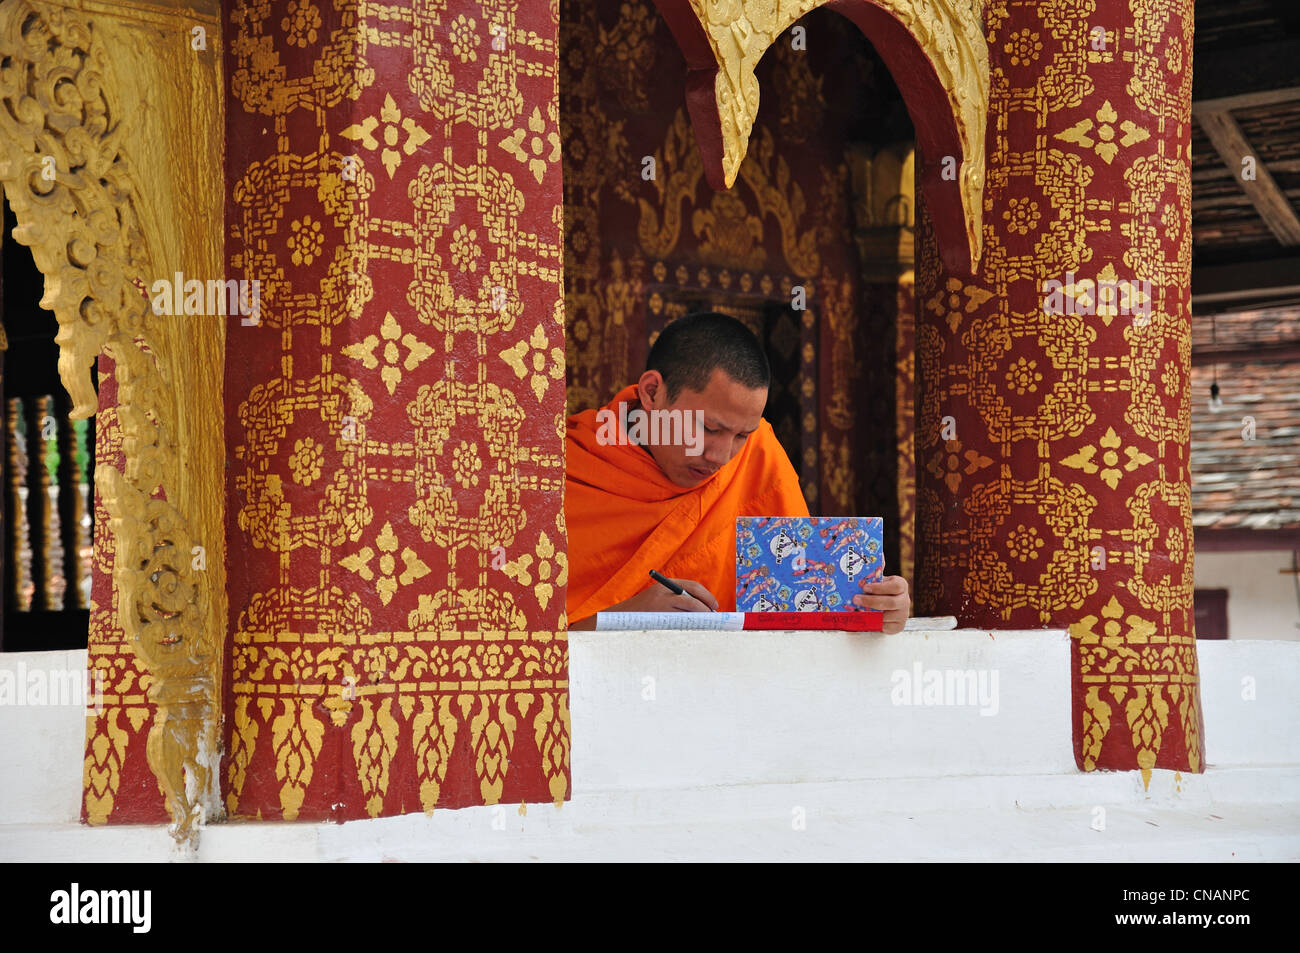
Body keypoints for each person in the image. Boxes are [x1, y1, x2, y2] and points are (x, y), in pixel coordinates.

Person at [565, 311, 911, 632]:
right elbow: (519, 647)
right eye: (707, 428)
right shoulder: (562, 471)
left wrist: (877, 609)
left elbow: (802, 608)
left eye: (741, 435)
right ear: (653, 392)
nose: (721, 456)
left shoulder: (759, 455)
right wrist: (621, 619)